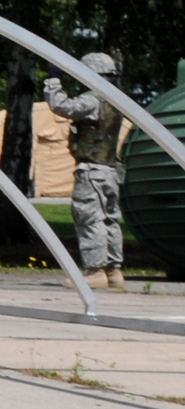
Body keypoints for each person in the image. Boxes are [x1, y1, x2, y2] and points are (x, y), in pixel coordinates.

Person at [44, 52, 127, 291]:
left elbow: (62, 106)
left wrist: (53, 80)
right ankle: (114, 271)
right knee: (110, 219)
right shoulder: (116, 100)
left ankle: (96, 271)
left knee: (89, 218)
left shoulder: (93, 100)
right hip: (111, 170)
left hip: (91, 170)